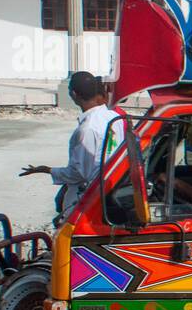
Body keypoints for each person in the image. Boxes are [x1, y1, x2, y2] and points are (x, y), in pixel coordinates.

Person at [19, 71, 123, 221]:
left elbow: (80, 174)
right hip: (108, 190)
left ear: (74, 94)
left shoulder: (87, 129)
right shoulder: (114, 117)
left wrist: (47, 170)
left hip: (88, 201)